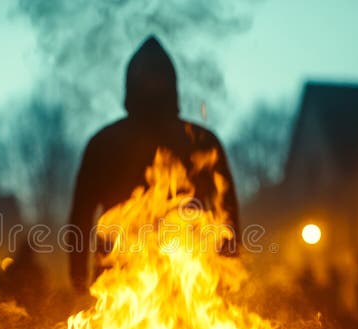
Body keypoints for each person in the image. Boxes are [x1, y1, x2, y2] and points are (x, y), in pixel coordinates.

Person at [67, 36, 239, 292]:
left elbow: (226, 211)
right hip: (156, 281)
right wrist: (227, 266)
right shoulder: (202, 140)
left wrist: (78, 274)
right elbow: (228, 213)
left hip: (168, 280)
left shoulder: (104, 142)